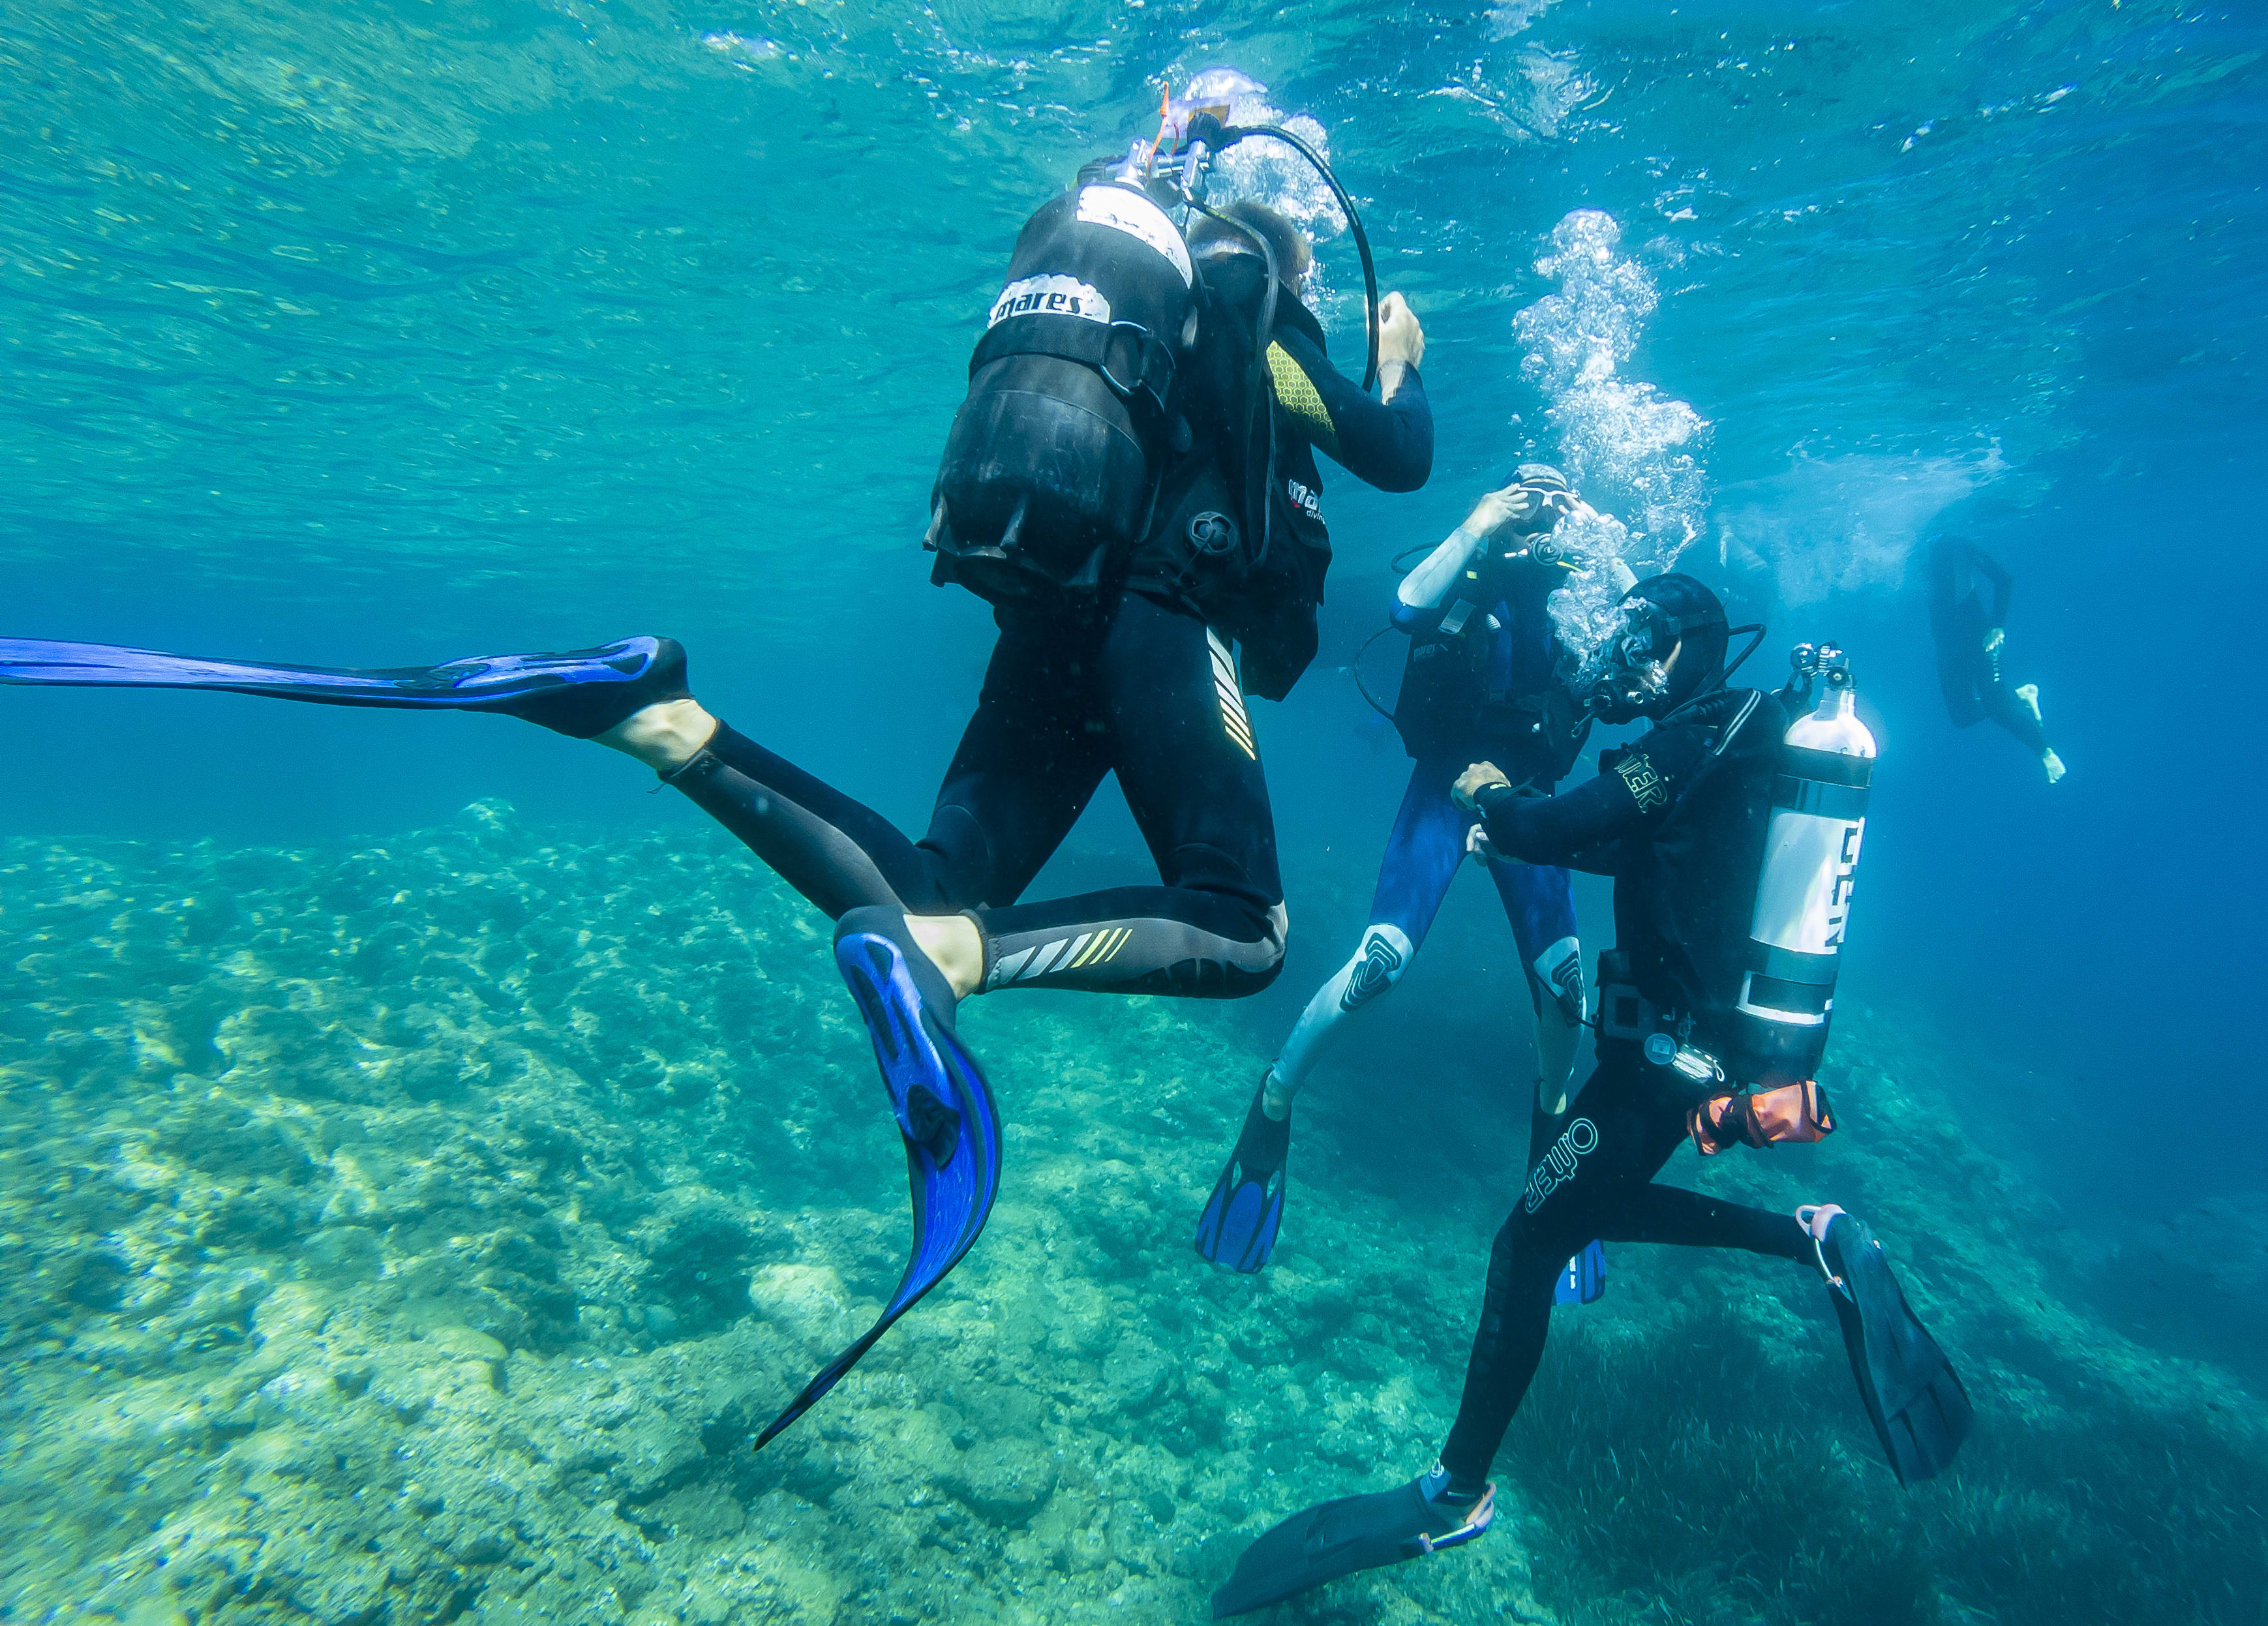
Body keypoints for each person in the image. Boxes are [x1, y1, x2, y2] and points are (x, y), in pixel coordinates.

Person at [0, 187, 1433, 1441]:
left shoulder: (1136, 331)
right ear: (1279, 273)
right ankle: (951, 966)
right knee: (1242, 926)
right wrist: (1395, 361)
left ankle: (660, 721)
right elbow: (1397, 452)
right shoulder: (1255, 327)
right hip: (1162, 630)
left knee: (937, 879)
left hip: (1048, 626)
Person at [1207, 576, 1973, 1619]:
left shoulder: (1709, 726)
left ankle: (1456, 1492)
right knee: (1577, 1212)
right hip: (1692, 1059)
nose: (1630, 659)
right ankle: (1814, 1237)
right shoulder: (1743, 741)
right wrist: (1528, 820)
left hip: (1663, 1068)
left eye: (1652, 641)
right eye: (1629, 637)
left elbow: (1571, 826)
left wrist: (1490, 798)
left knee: (1527, 1244)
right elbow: (1632, 844)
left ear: (1705, 648)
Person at [1194, 463, 1603, 1302]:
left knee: (1567, 991)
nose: (1539, 525)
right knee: (1379, 966)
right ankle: (1271, 1107)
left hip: (1526, 800)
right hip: (1445, 788)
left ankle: (1551, 1133)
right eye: (1528, 504)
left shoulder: (1577, 589)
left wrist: (1603, 541)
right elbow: (1405, 607)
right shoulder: (1470, 569)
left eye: (1549, 510)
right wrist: (1480, 521)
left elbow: (1644, 642)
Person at [1924, 534, 2064, 783]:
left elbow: (2004, 579)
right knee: (1962, 716)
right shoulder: (1920, 548)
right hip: (1946, 644)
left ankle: (2047, 754)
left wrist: (1997, 626)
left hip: (1977, 638)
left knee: (1999, 710)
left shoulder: (1958, 543)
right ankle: (2022, 694)